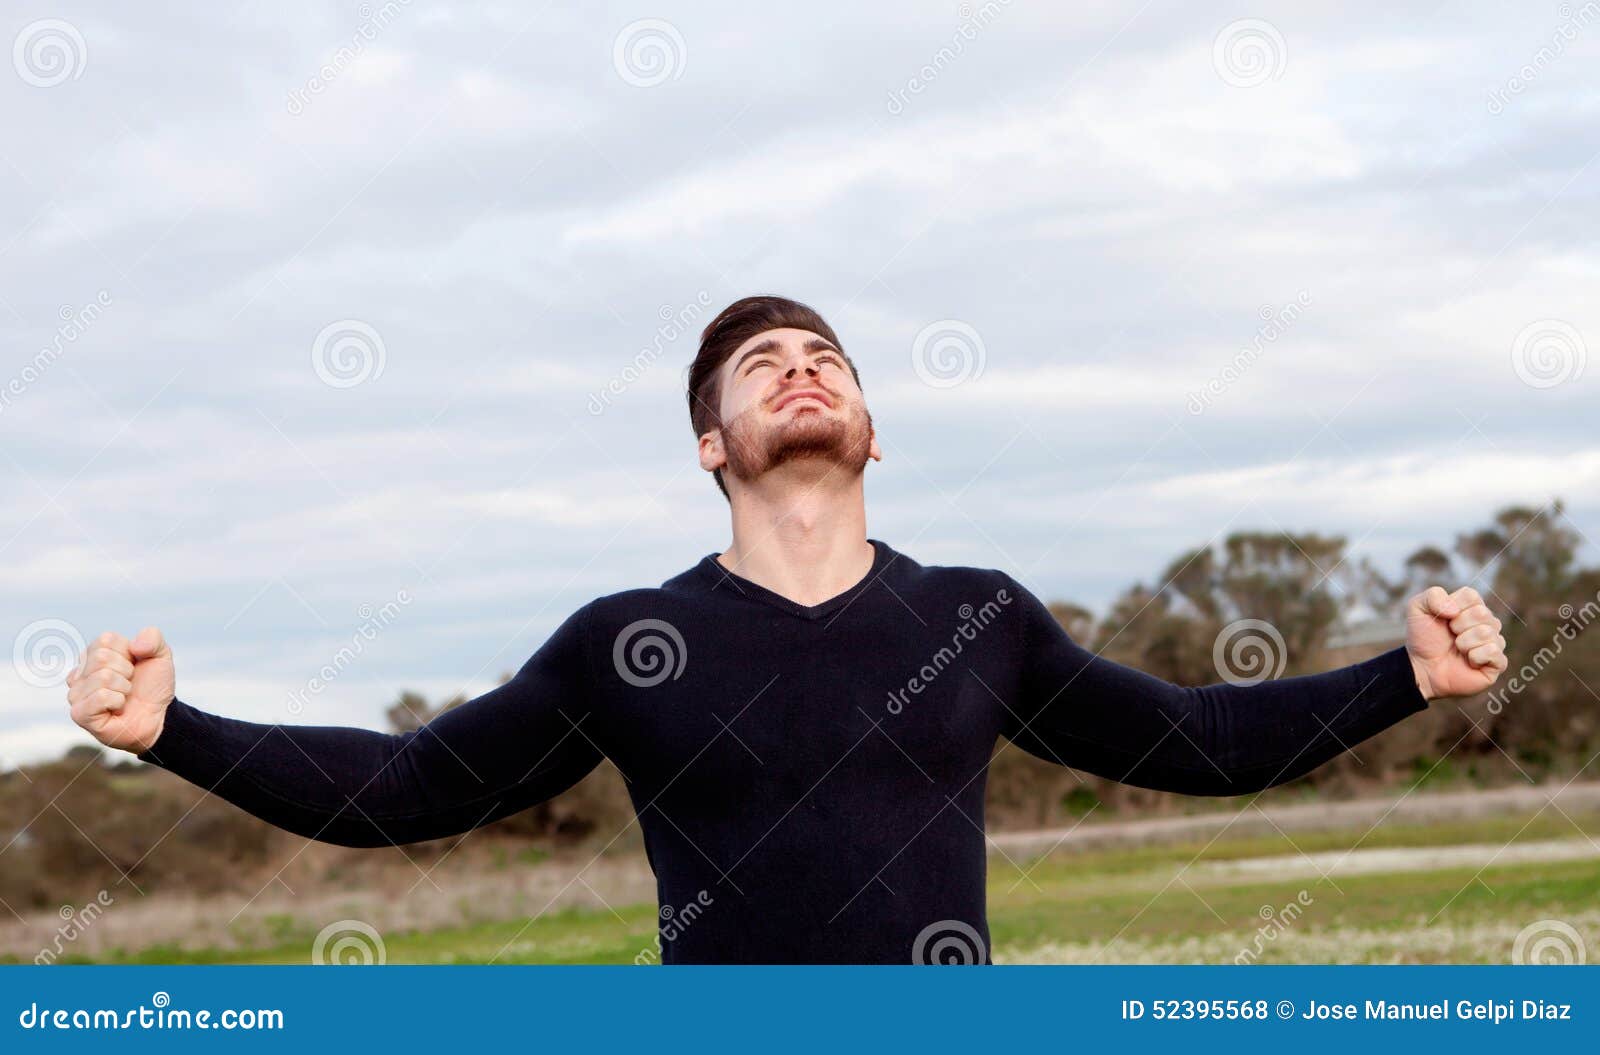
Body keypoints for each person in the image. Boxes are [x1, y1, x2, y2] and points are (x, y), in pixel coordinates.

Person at [66, 295, 1508, 964]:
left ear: (876, 432)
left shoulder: (973, 615)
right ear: (712, 444)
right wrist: (171, 733)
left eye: (829, 361)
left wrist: (1405, 677)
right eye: (764, 366)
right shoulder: (629, 641)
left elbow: (1198, 741)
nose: (803, 373)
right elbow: (406, 791)